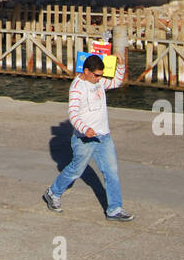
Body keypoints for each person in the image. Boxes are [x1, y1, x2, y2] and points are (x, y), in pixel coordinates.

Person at [43, 53, 134, 221]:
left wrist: (121, 66)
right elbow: (73, 113)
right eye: (97, 75)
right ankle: (53, 192)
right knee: (75, 170)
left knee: (111, 172)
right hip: (84, 139)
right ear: (86, 71)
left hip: (103, 137)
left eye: (101, 75)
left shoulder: (99, 82)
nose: (99, 78)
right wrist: (85, 129)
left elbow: (115, 82)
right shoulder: (77, 87)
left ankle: (114, 209)